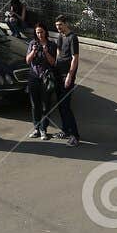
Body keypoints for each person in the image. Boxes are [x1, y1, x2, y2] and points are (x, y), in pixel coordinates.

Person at [50, 15, 82, 146]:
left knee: (66, 106)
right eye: (57, 26)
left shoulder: (73, 38)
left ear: (66, 24)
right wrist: (56, 66)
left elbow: (75, 58)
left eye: (60, 25)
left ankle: (75, 135)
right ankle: (65, 130)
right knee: (60, 105)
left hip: (67, 76)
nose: (58, 28)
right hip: (58, 74)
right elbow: (58, 51)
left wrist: (69, 75)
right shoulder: (60, 36)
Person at [25, 24, 59, 140]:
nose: (40, 35)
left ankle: (44, 129)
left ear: (45, 32)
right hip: (34, 77)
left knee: (46, 105)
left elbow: (53, 62)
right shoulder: (32, 44)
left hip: (46, 77)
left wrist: (46, 52)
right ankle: (36, 128)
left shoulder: (51, 45)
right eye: (38, 32)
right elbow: (28, 61)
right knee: (35, 104)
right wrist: (33, 51)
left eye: (41, 32)